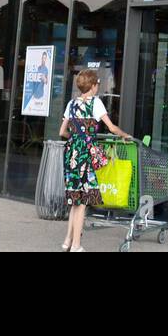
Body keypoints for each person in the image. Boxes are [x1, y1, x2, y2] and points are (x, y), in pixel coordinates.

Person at [59, 68, 131, 252]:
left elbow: (62, 132)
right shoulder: (96, 103)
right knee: (82, 201)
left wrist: (75, 139)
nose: (98, 86)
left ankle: (68, 240)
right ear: (92, 86)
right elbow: (112, 128)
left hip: (71, 153)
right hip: (85, 154)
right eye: (97, 83)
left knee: (74, 198)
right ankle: (76, 245)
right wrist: (125, 135)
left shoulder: (71, 104)